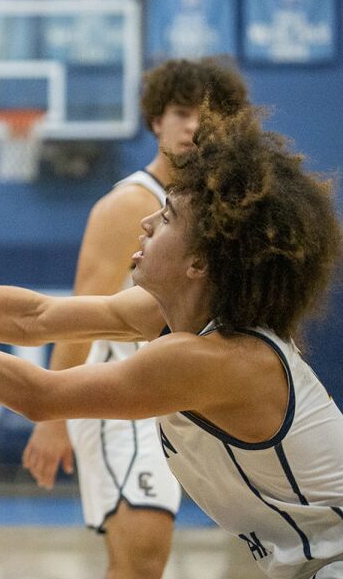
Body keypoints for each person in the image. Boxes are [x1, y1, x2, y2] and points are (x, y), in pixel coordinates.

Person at [0, 105, 343, 579]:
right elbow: (35, 315)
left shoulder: (214, 360)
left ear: (201, 262)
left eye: (166, 217)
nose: (146, 224)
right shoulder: (173, 319)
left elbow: (40, 395)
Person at [20, 58, 249, 579]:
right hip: (116, 397)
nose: (193, 126)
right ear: (155, 120)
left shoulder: (214, 207)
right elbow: (76, 311)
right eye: (181, 112)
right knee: (144, 552)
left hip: (173, 397)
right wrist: (54, 415)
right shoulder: (130, 204)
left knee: (142, 563)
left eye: (206, 115)